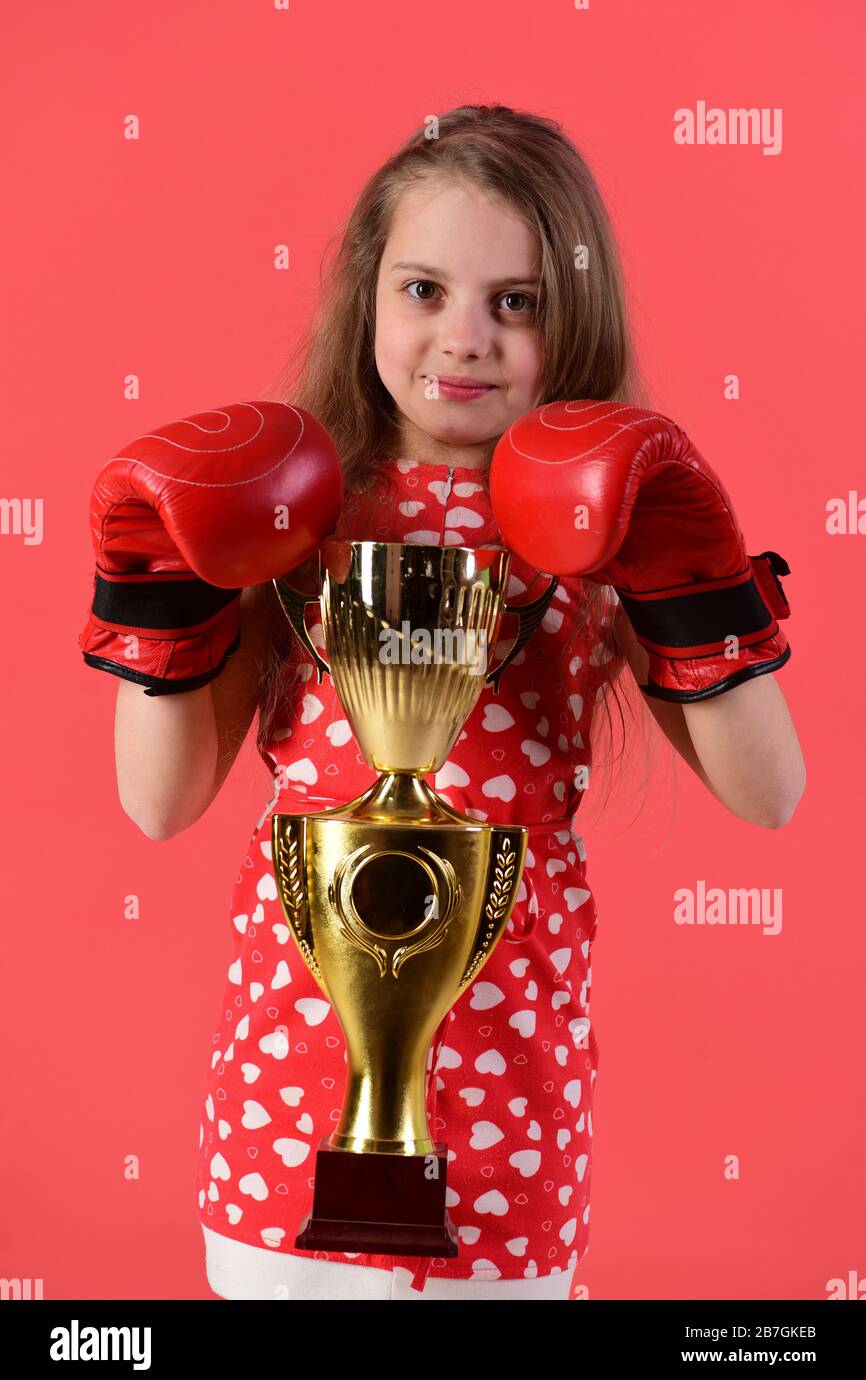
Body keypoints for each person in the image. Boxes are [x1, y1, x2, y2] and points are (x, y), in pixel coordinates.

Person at [89, 104, 806, 1300]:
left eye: (512, 302)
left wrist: (690, 578)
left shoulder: (600, 522)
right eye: (423, 290)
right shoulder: (290, 516)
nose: (462, 338)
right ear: (368, 296)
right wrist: (156, 595)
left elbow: (770, 794)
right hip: (295, 1085)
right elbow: (157, 806)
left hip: (502, 1093)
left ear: (567, 314)